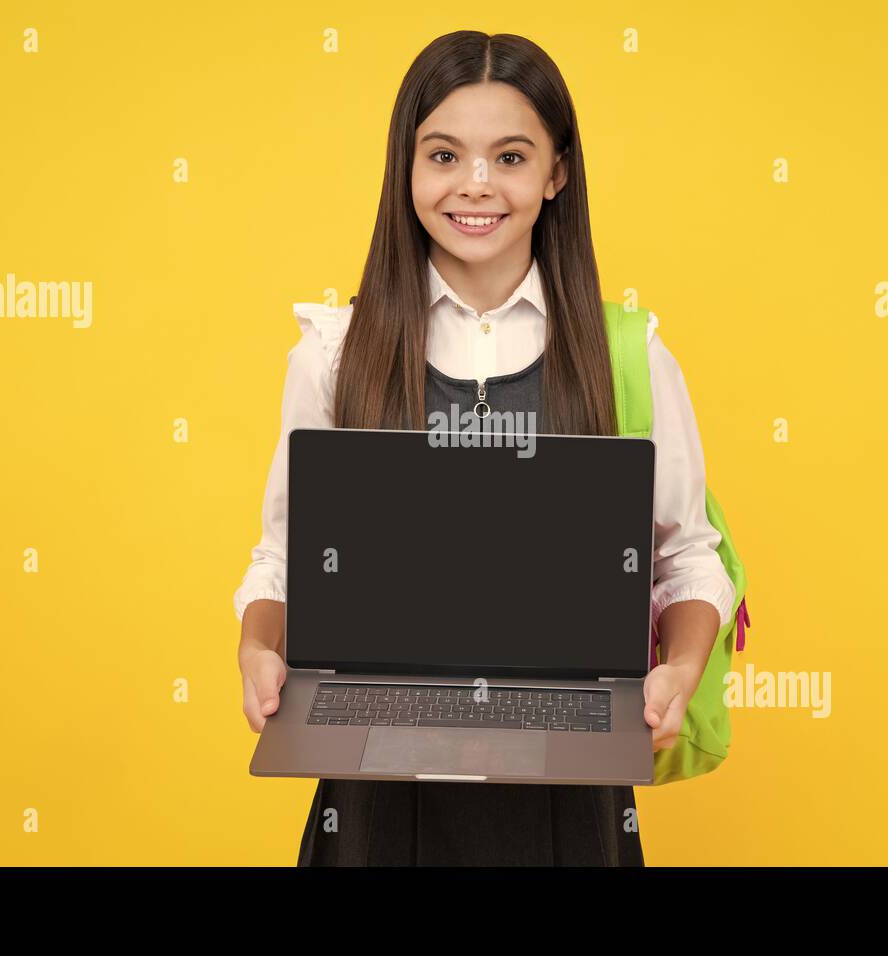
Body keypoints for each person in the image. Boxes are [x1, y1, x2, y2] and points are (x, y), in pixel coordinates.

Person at [235, 31, 735, 866]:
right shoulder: (334, 352)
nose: (475, 184)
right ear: (406, 167)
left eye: (510, 157)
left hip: (573, 795)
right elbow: (284, 558)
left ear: (556, 172)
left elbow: (686, 558)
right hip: (373, 799)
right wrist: (258, 648)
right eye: (444, 155)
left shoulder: (627, 353)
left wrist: (680, 667)